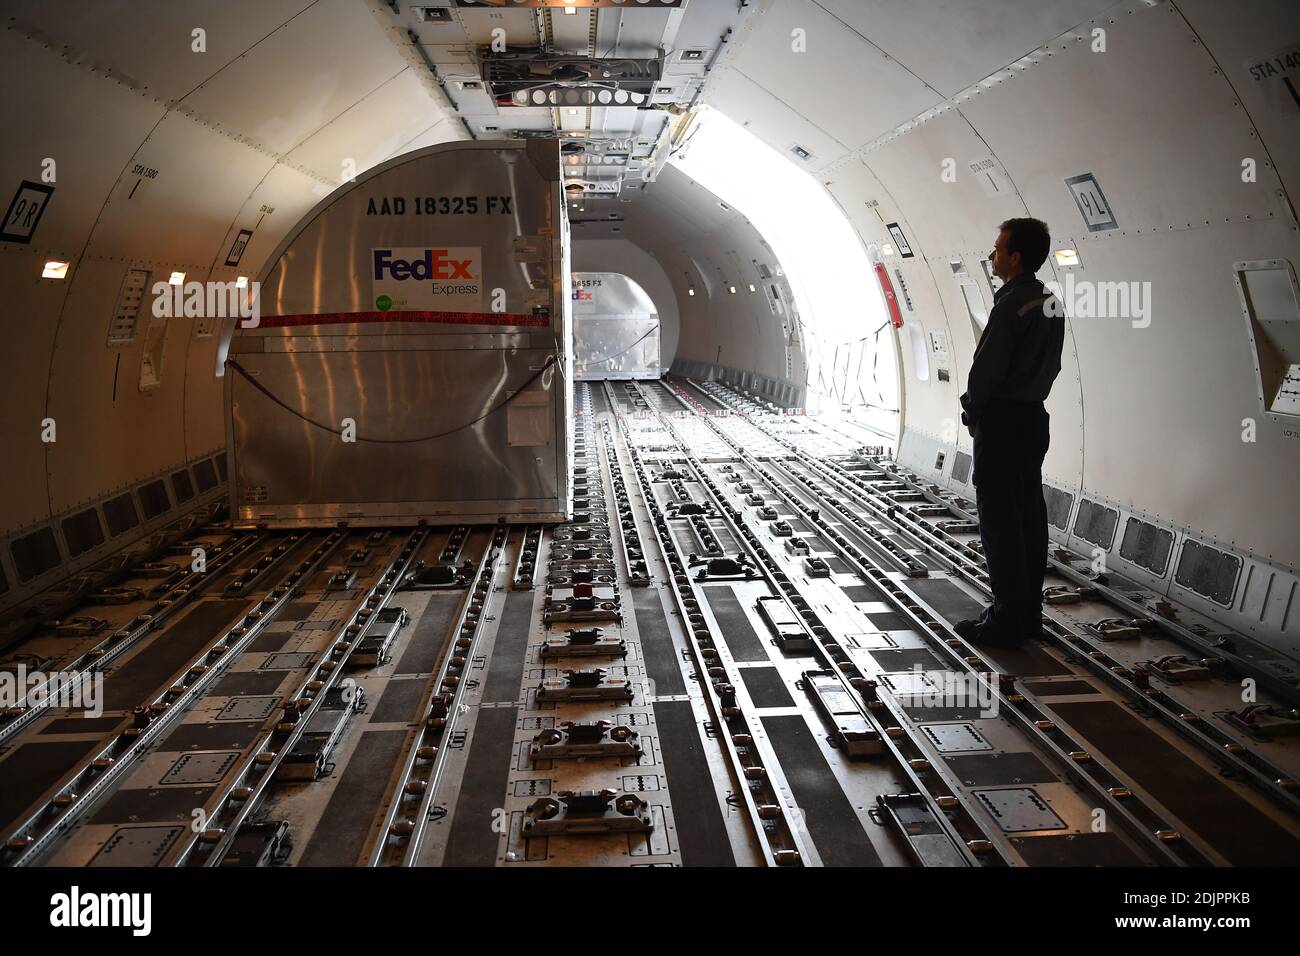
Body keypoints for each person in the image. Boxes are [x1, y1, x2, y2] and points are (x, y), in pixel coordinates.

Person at [955, 218, 1065, 649]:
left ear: (1015, 257)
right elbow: (1051, 366)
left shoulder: (1010, 305)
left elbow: (986, 373)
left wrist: (973, 412)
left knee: (999, 522)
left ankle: (1005, 619)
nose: (993, 255)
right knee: (1028, 520)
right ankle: (1027, 613)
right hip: (1033, 418)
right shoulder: (1050, 302)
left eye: (998, 249)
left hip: (1001, 423)